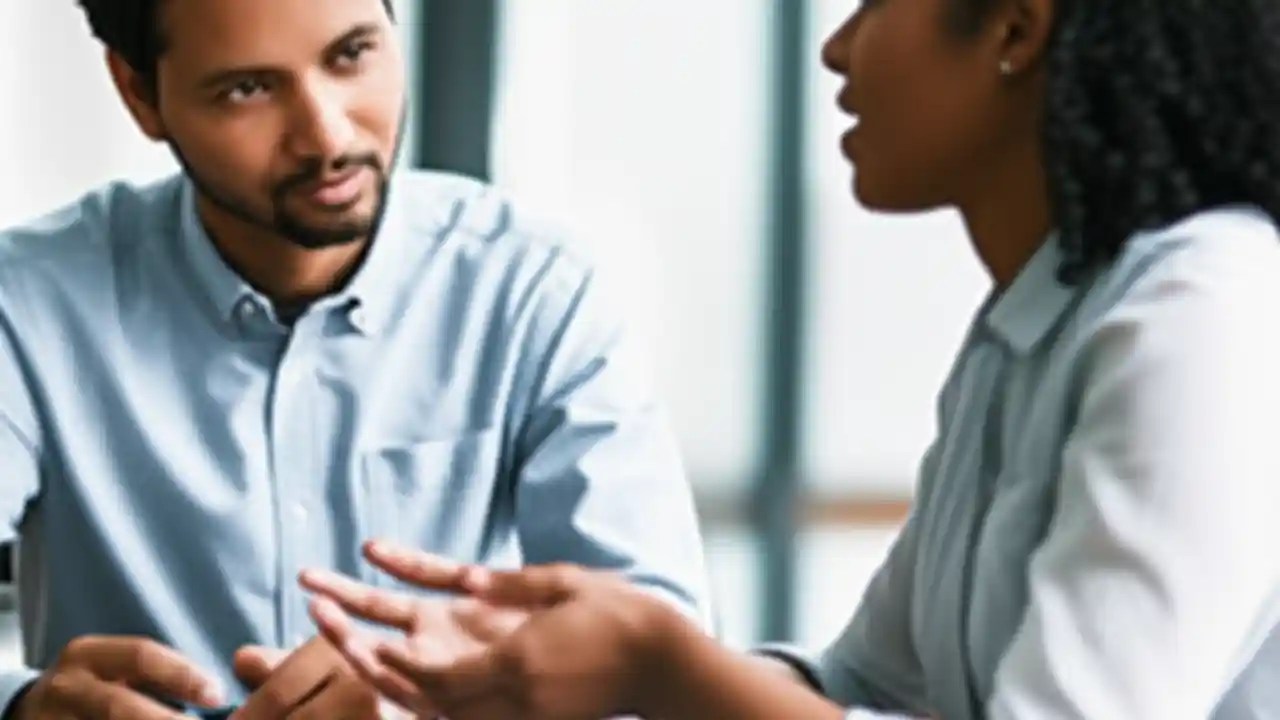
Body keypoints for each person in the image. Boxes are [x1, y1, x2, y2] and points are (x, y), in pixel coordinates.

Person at [299, 0, 1280, 717]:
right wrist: (556, 663)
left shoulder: (1200, 316)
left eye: (872, 3)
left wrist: (663, 667)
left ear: (1013, 32)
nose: (836, 45)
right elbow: (863, 683)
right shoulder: (1019, 335)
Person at [0, 0, 710, 717]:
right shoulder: (27, 304)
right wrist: (21, 709)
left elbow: (667, 677)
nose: (326, 136)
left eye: (351, 56)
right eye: (248, 89)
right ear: (138, 93)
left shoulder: (535, 292)